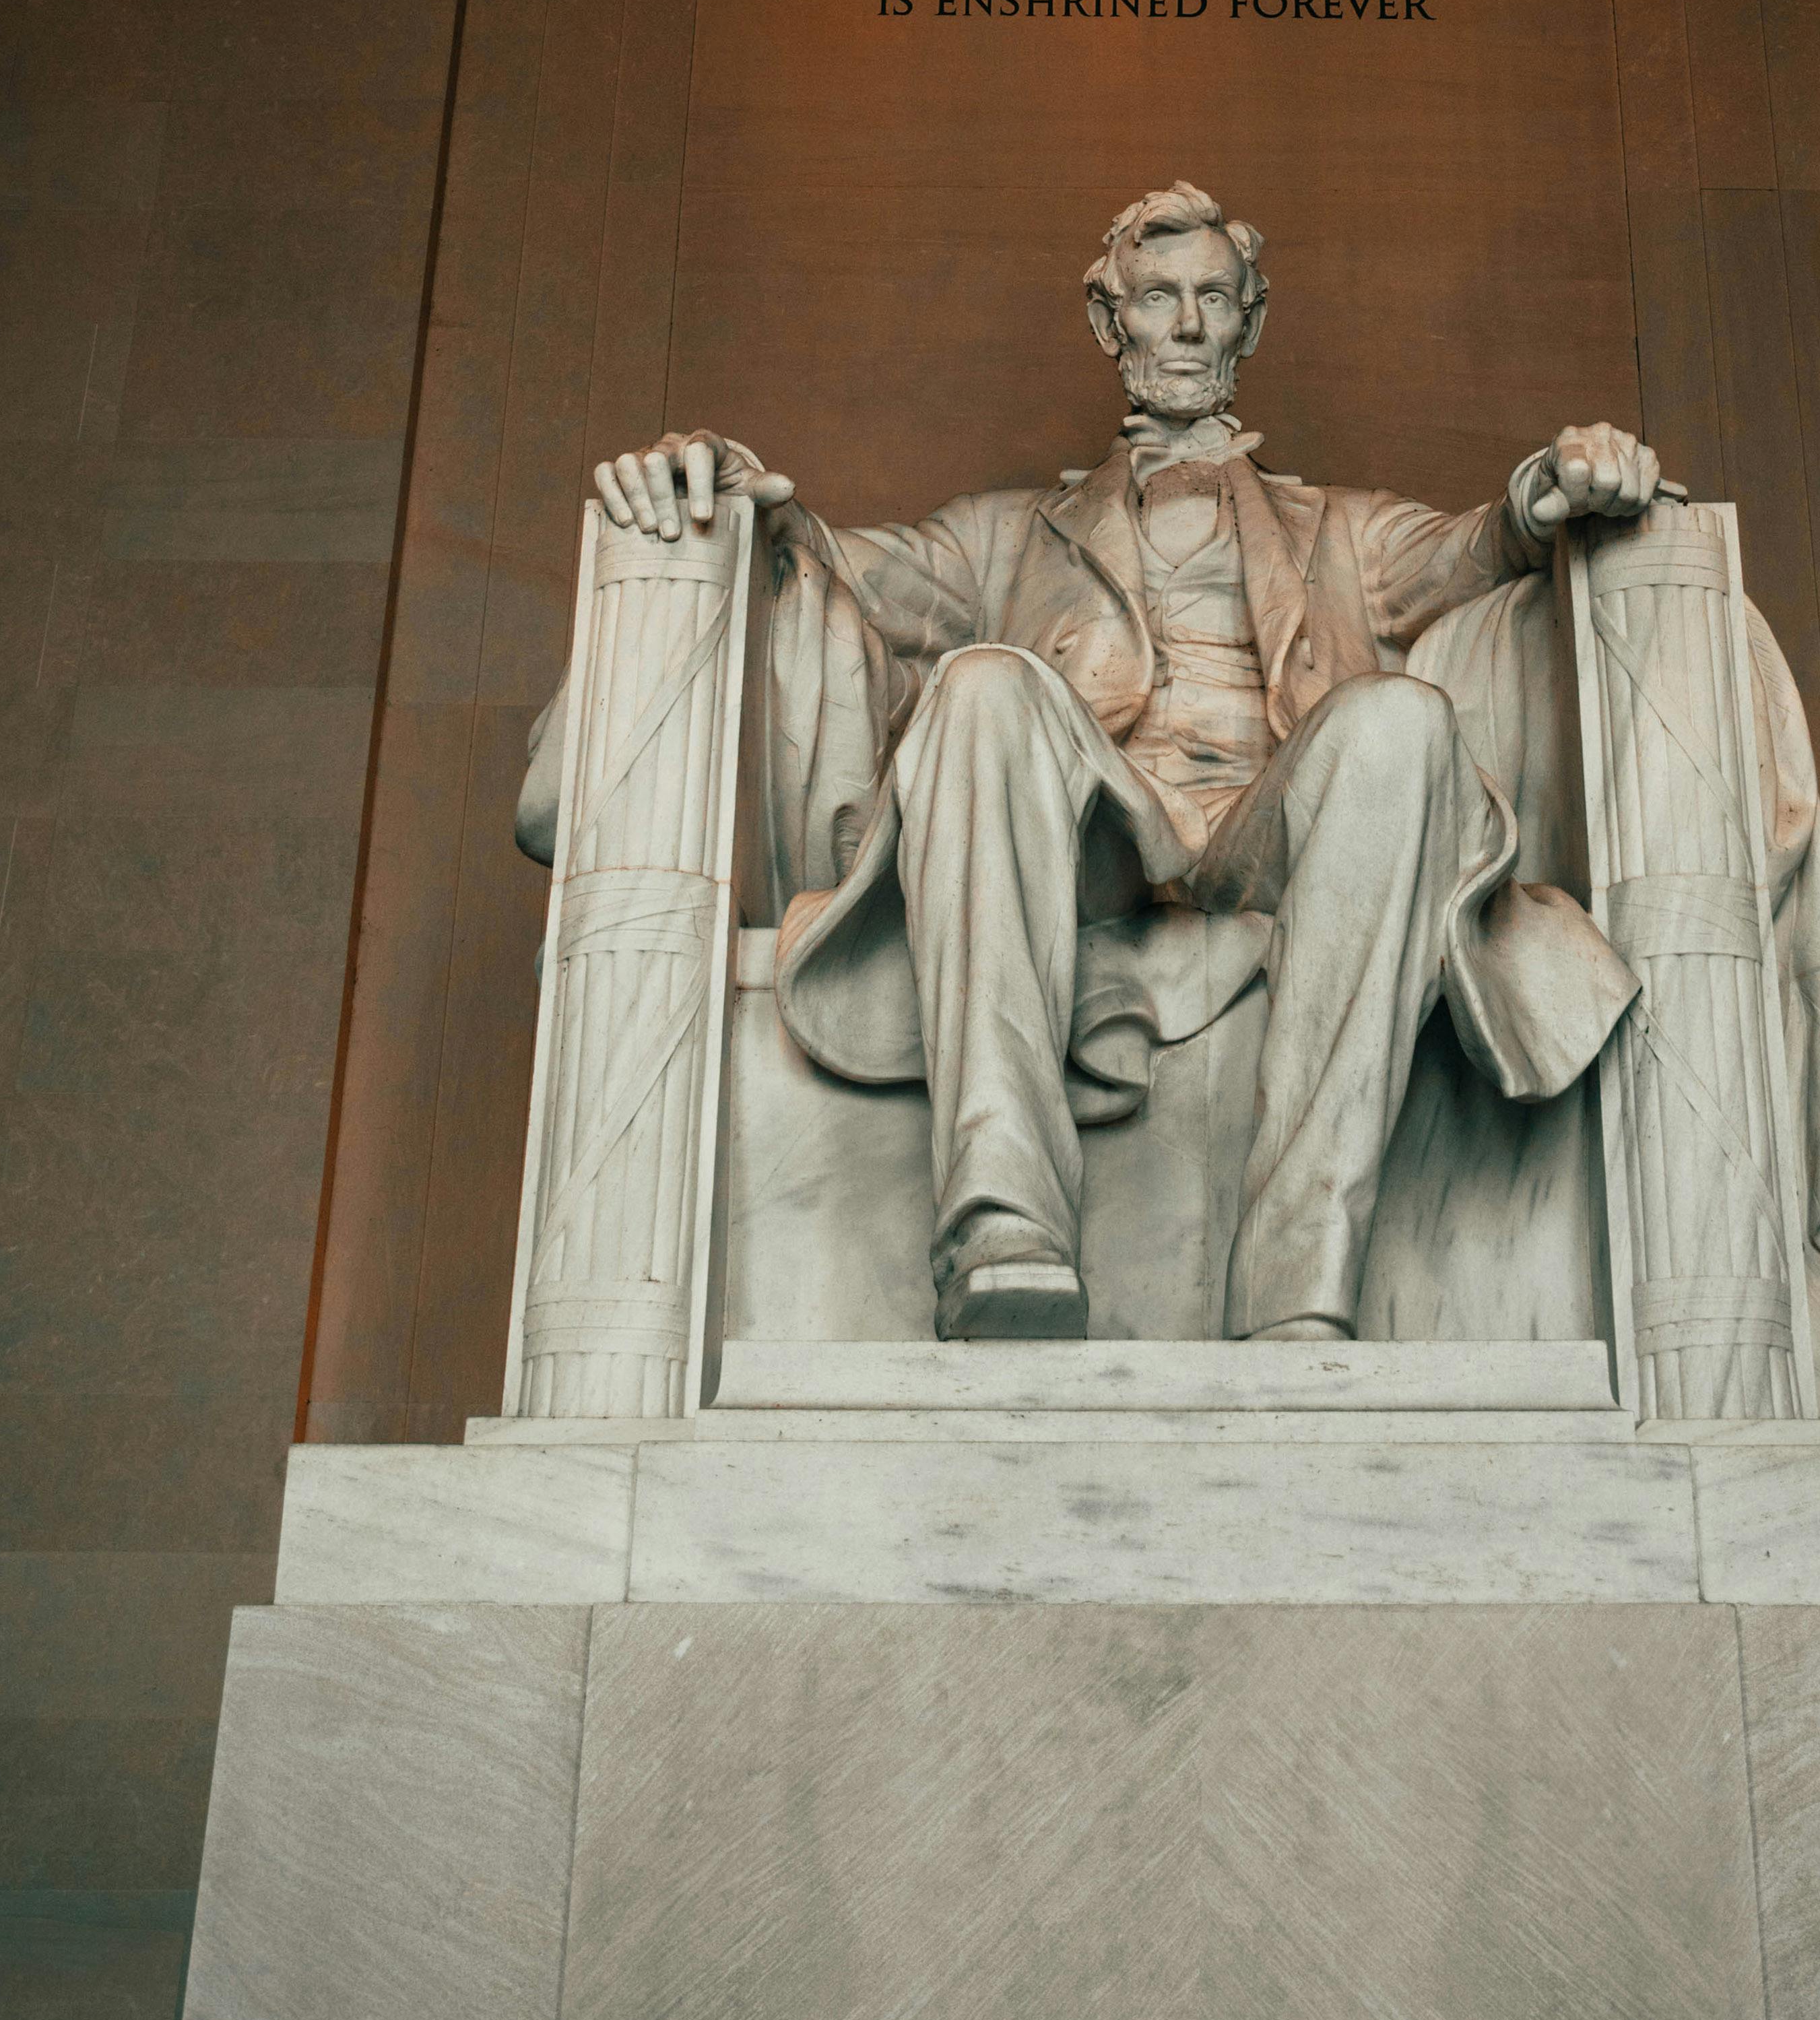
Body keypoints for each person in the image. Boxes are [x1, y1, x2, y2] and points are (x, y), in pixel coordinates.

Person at [529, 180, 1671, 1346]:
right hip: (1090, 837)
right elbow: (822, 555)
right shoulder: (1006, 533)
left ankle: (1298, 1279)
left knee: (1402, 721)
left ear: (1251, 322)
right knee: (981, 685)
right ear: (1106, 321)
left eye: (1214, 300)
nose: (1185, 325)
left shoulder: (1344, 526)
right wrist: (718, 479)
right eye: (1158, 297)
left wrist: (1559, 483)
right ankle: (1001, 1225)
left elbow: (1480, 545)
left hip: (1273, 833)